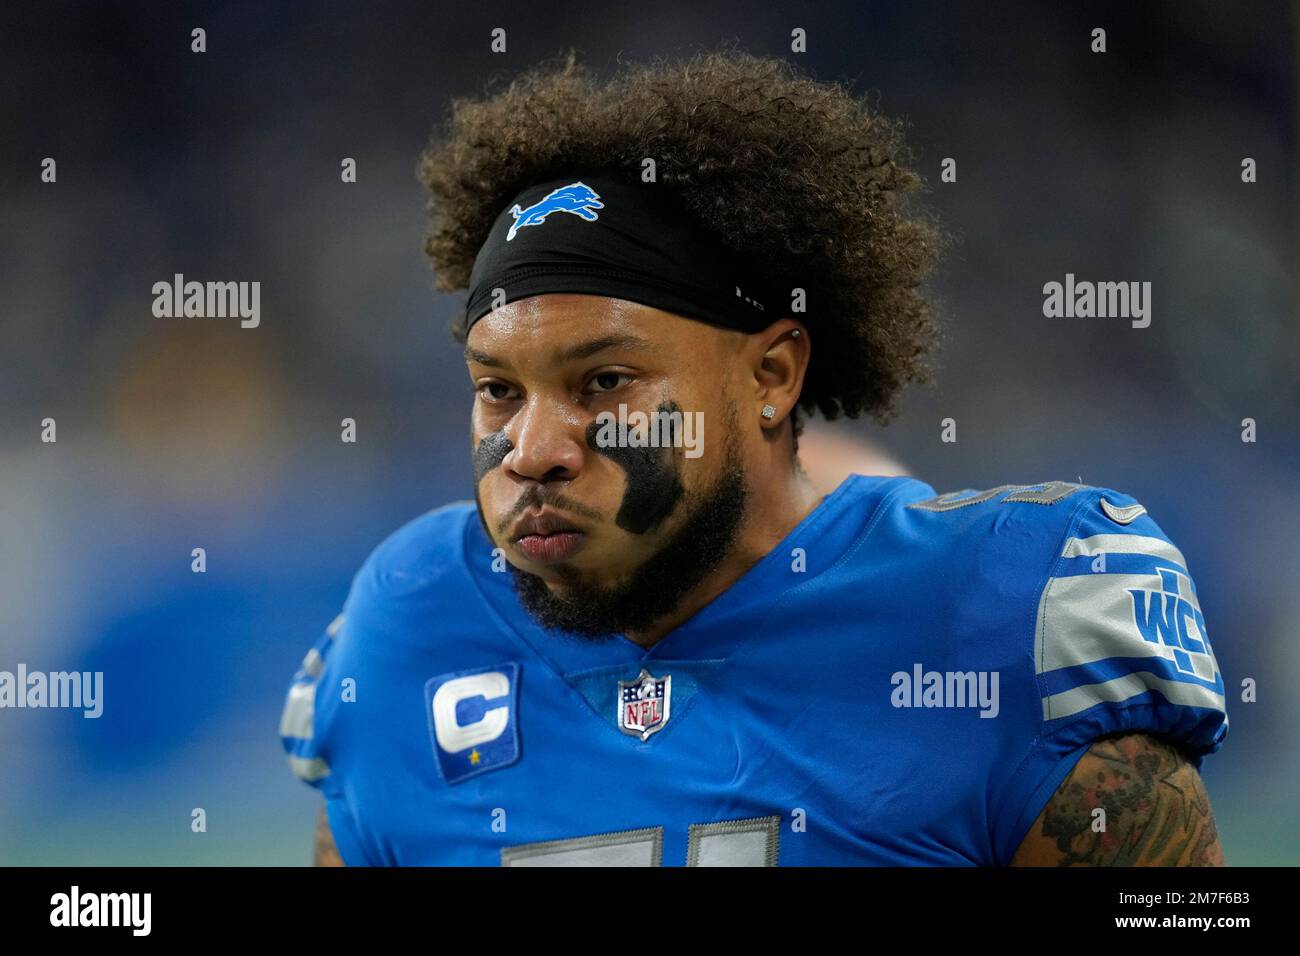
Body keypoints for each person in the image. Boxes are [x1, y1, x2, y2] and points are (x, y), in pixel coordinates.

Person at [280, 49, 1227, 866]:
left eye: (606, 383)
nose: (533, 451)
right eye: (498, 389)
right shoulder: (410, 622)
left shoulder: (995, 619)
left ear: (770, 375)